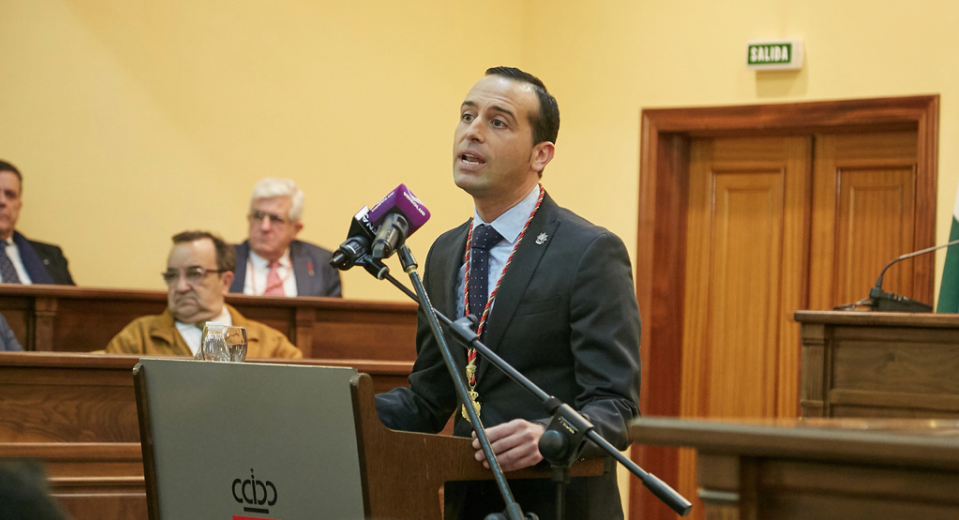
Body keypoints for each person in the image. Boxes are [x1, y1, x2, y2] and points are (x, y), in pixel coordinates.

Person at [375, 67, 642, 519]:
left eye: (497, 122)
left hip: (558, 503)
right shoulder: (444, 252)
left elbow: (617, 406)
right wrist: (336, 409)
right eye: (466, 116)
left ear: (541, 153)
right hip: (471, 502)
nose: (473, 132)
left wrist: (548, 435)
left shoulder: (589, 252)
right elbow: (428, 399)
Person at [105, 231, 302, 359]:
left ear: (225, 282)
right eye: (172, 276)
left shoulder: (271, 345)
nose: (181, 287)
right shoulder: (136, 339)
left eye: (194, 274)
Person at [230, 178, 342, 297]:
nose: (265, 227)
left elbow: (334, 315)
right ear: (249, 219)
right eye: (258, 216)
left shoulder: (321, 263)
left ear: (295, 228)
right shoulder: (222, 260)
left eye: (276, 219)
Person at [0, 160, 75, 285]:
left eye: (10, 195)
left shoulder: (52, 256)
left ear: (19, 206)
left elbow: (72, 303)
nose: (2, 201)